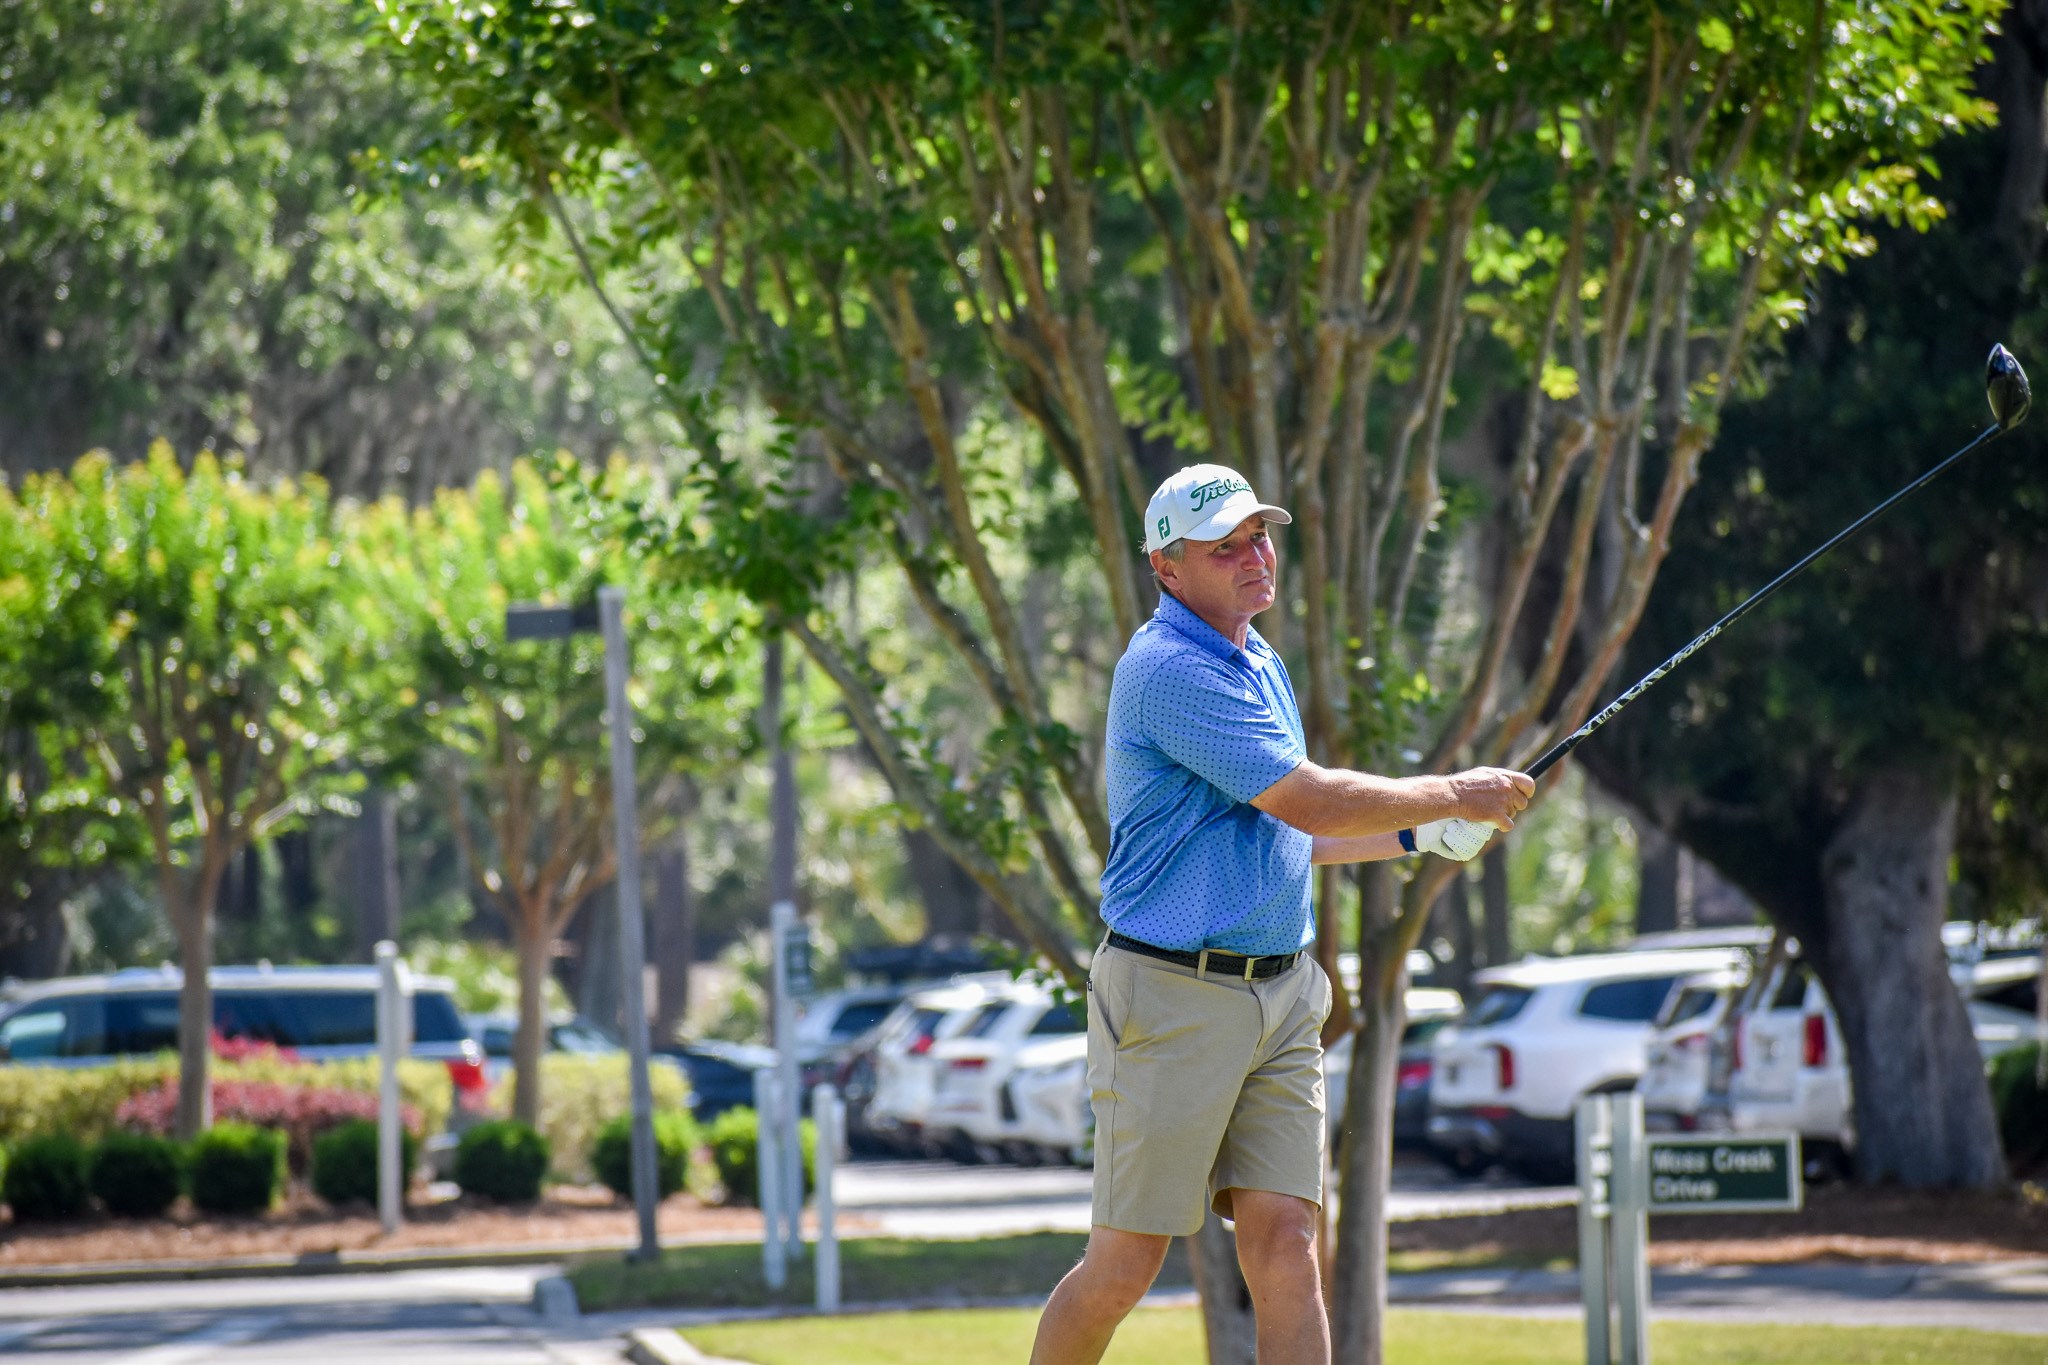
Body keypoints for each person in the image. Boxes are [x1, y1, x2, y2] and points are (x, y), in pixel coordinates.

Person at [1029, 464, 1534, 1365]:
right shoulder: (1168, 668)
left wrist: (1421, 839)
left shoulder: (1257, 657)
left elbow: (1287, 834)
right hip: (1170, 994)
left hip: (1283, 993)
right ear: (1167, 569)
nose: (1254, 557)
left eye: (1259, 536)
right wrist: (1452, 791)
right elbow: (1311, 800)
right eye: (1224, 548)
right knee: (1124, 1264)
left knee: (1288, 1245)